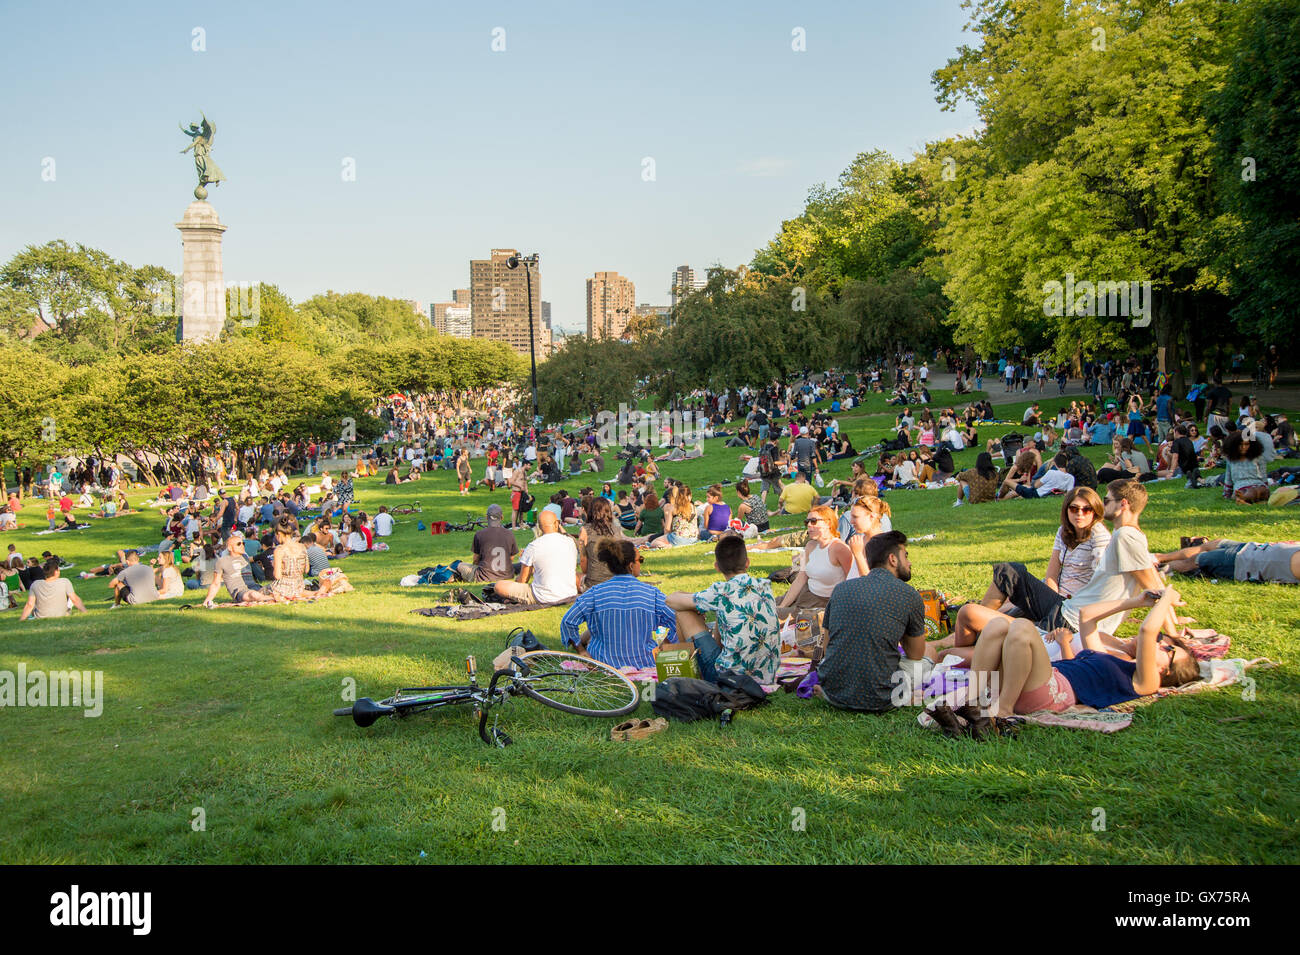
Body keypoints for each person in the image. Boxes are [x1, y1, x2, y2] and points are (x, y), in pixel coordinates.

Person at [942, 479, 1171, 662]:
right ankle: (958, 650)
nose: (1079, 513)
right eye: (1074, 508)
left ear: (1122, 505)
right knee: (1006, 584)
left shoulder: (1114, 536)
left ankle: (954, 656)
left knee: (977, 618)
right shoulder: (1070, 532)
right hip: (1063, 607)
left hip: (1071, 618)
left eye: (1089, 508)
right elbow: (1052, 574)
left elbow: (1152, 585)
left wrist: (1173, 630)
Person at [937, 587, 1201, 736]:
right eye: (1167, 642)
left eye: (1170, 650)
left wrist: (1166, 599)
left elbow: (1146, 632)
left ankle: (1002, 713)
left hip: (1052, 692)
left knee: (1021, 628)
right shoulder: (1113, 660)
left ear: (1166, 670)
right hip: (1038, 680)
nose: (1163, 643)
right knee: (996, 626)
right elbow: (1087, 617)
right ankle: (974, 702)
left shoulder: (1145, 681)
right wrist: (1136, 601)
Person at [816, 531, 927, 713]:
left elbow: (828, 648)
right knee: (929, 653)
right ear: (892, 559)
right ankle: (906, 695)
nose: (909, 562)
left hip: (833, 692)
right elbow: (915, 654)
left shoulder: (841, 589)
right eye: (905, 556)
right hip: (880, 698)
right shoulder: (909, 595)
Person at [665, 535, 782, 683]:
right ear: (747, 563)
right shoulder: (765, 586)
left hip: (729, 679)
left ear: (717, 567)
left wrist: (693, 602)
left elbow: (670, 600)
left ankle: (691, 675)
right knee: (722, 613)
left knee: (683, 612)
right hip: (766, 675)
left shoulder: (721, 591)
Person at [559, 540, 674, 669]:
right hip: (644, 661)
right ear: (631, 566)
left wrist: (581, 651)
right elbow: (677, 620)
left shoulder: (595, 593)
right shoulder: (652, 594)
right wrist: (665, 645)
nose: (640, 564)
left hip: (602, 663)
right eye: (640, 560)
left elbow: (568, 621)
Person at [777, 505, 851, 619]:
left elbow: (852, 581)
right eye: (807, 522)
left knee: (773, 616)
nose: (809, 525)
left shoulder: (839, 548)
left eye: (814, 521)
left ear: (828, 523)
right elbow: (801, 577)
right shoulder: (810, 545)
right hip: (805, 592)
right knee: (764, 604)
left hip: (821, 603)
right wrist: (782, 605)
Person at [489, 510, 579, 605]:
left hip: (543, 597)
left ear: (539, 527)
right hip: (569, 593)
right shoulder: (570, 542)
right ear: (557, 524)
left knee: (499, 586)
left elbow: (523, 580)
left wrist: (516, 582)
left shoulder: (534, 546)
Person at [1156, 538, 1300, 584]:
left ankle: (1157, 568)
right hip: (1251, 547)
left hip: (1240, 563)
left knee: (1193, 561)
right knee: (1210, 544)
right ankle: (1159, 557)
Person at [203, 532, 275, 607]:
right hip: (240, 591)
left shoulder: (245, 557)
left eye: (243, 543)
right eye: (239, 544)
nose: (242, 546)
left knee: (276, 587)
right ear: (230, 548)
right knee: (253, 594)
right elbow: (216, 583)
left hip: (256, 587)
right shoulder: (222, 561)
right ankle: (272, 599)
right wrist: (207, 600)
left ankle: (271, 597)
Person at [452, 504, 520, 583]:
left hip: (484, 576)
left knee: (459, 565)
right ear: (501, 517)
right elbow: (511, 558)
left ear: (487, 517)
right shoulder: (510, 534)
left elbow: (475, 559)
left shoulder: (479, 534)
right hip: (507, 575)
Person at [576, 497, 624, 590]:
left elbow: (583, 560)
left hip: (594, 582)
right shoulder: (616, 530)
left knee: (574, 576)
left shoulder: (585, 530)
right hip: (616, 580)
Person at [20, 558, 87, 620]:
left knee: (34, 603)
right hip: (61, 614)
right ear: (56, 572)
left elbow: (30, 605)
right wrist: (85, 612)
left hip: (41, 616)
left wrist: (22, 619)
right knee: (70, 598)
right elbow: (74, 599)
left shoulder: (35, 584)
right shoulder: (64, 582)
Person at [1221, 429, 1269, 504]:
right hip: (1241, 487)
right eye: (1240, 444)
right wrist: (1226, 494)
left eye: (1246, 444)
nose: (1243, 447)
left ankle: (1244, 500)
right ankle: (1245, 498)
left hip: (1259, 485)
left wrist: (1266, 488)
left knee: (1260, 491)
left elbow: (1263, 476)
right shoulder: (1231, 460)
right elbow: (1228, 479)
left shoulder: (1259, 458)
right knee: (1250, 491)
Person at [268, 514, 310, 600]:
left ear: (279, 534)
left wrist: (274, 565)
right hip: (299, 585)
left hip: (282, 588)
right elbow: (307, 570)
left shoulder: (279, 550)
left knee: (260, 592)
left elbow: (277, 576)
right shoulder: (302, 546)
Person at [1011, 452, 1076, 499]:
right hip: (1049, 493)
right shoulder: (1071, 477)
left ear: (1055, 464)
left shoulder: (1051, 472)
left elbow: (1036, 485)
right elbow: (1069, 493)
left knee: (1009, 483)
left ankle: (1001, 498)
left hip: (1038, 493)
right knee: (1023, 489)